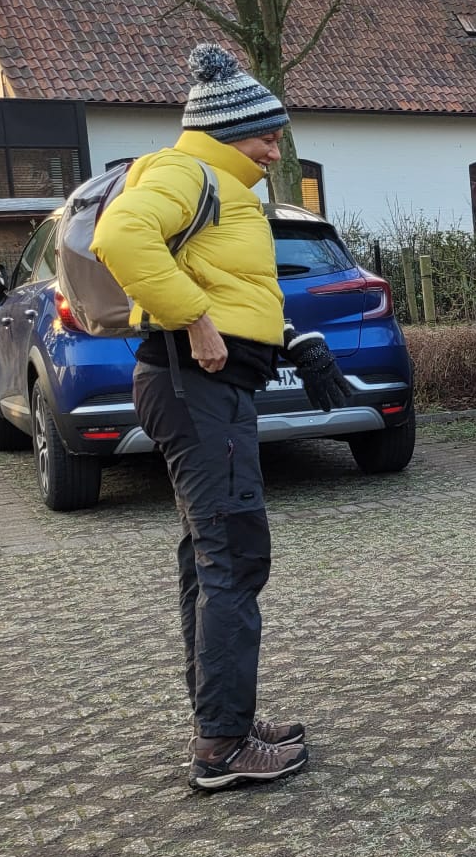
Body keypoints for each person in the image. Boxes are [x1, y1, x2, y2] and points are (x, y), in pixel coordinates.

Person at [91, 43, 355, 790]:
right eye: (265, 136)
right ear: (229, 131)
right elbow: (120, 236)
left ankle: (224, 719)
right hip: (193, 387)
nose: (276, 150)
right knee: (233, 555)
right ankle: (221, 748)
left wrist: (294, 341)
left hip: (207, 390)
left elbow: (233, 285)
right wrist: (195, 318)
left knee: (211, 557)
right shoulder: (187, 173)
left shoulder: (227, 191)